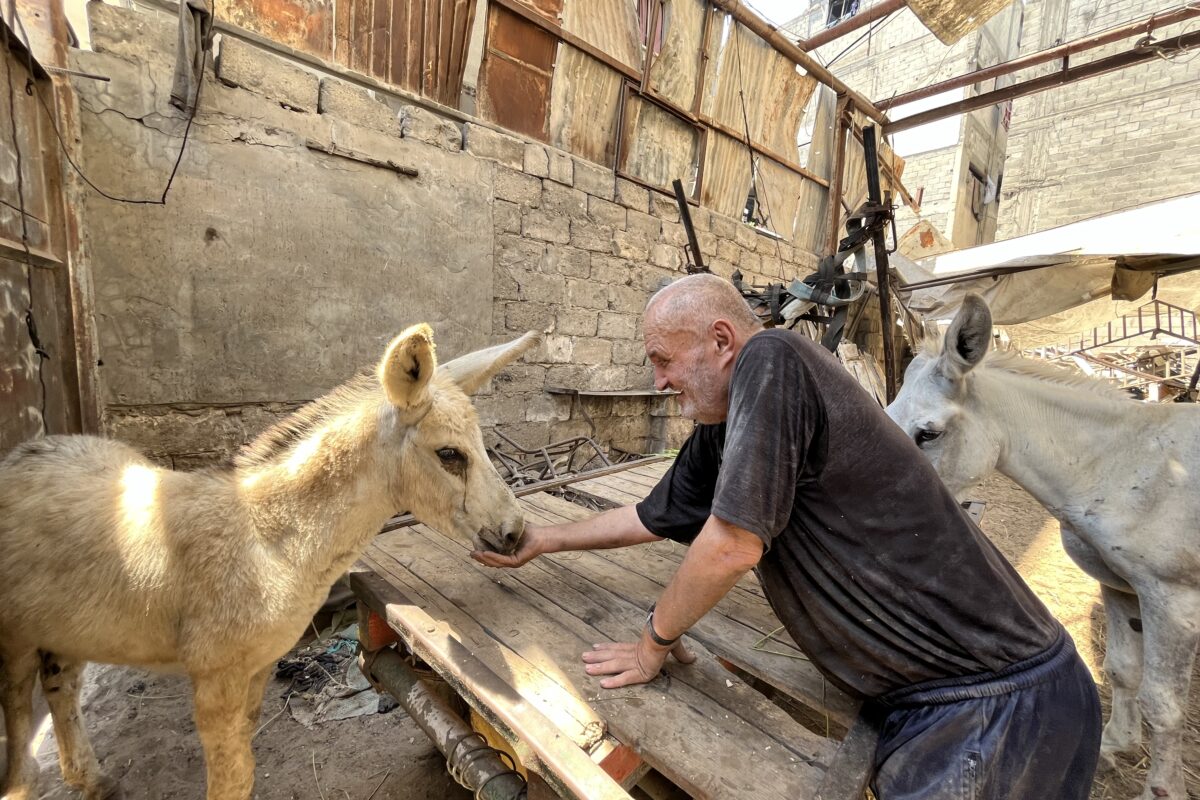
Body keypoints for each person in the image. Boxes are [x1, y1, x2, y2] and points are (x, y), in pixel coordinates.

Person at [472, 273, 1101, 799]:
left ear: (722, 340)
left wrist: (652, 643)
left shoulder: (773, 360)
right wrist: (545, 539)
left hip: (996, 701)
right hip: (931, 703)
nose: (658, 381)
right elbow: (651, 515)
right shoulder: (726, 421)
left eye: (663, 360)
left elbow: (731, 546)